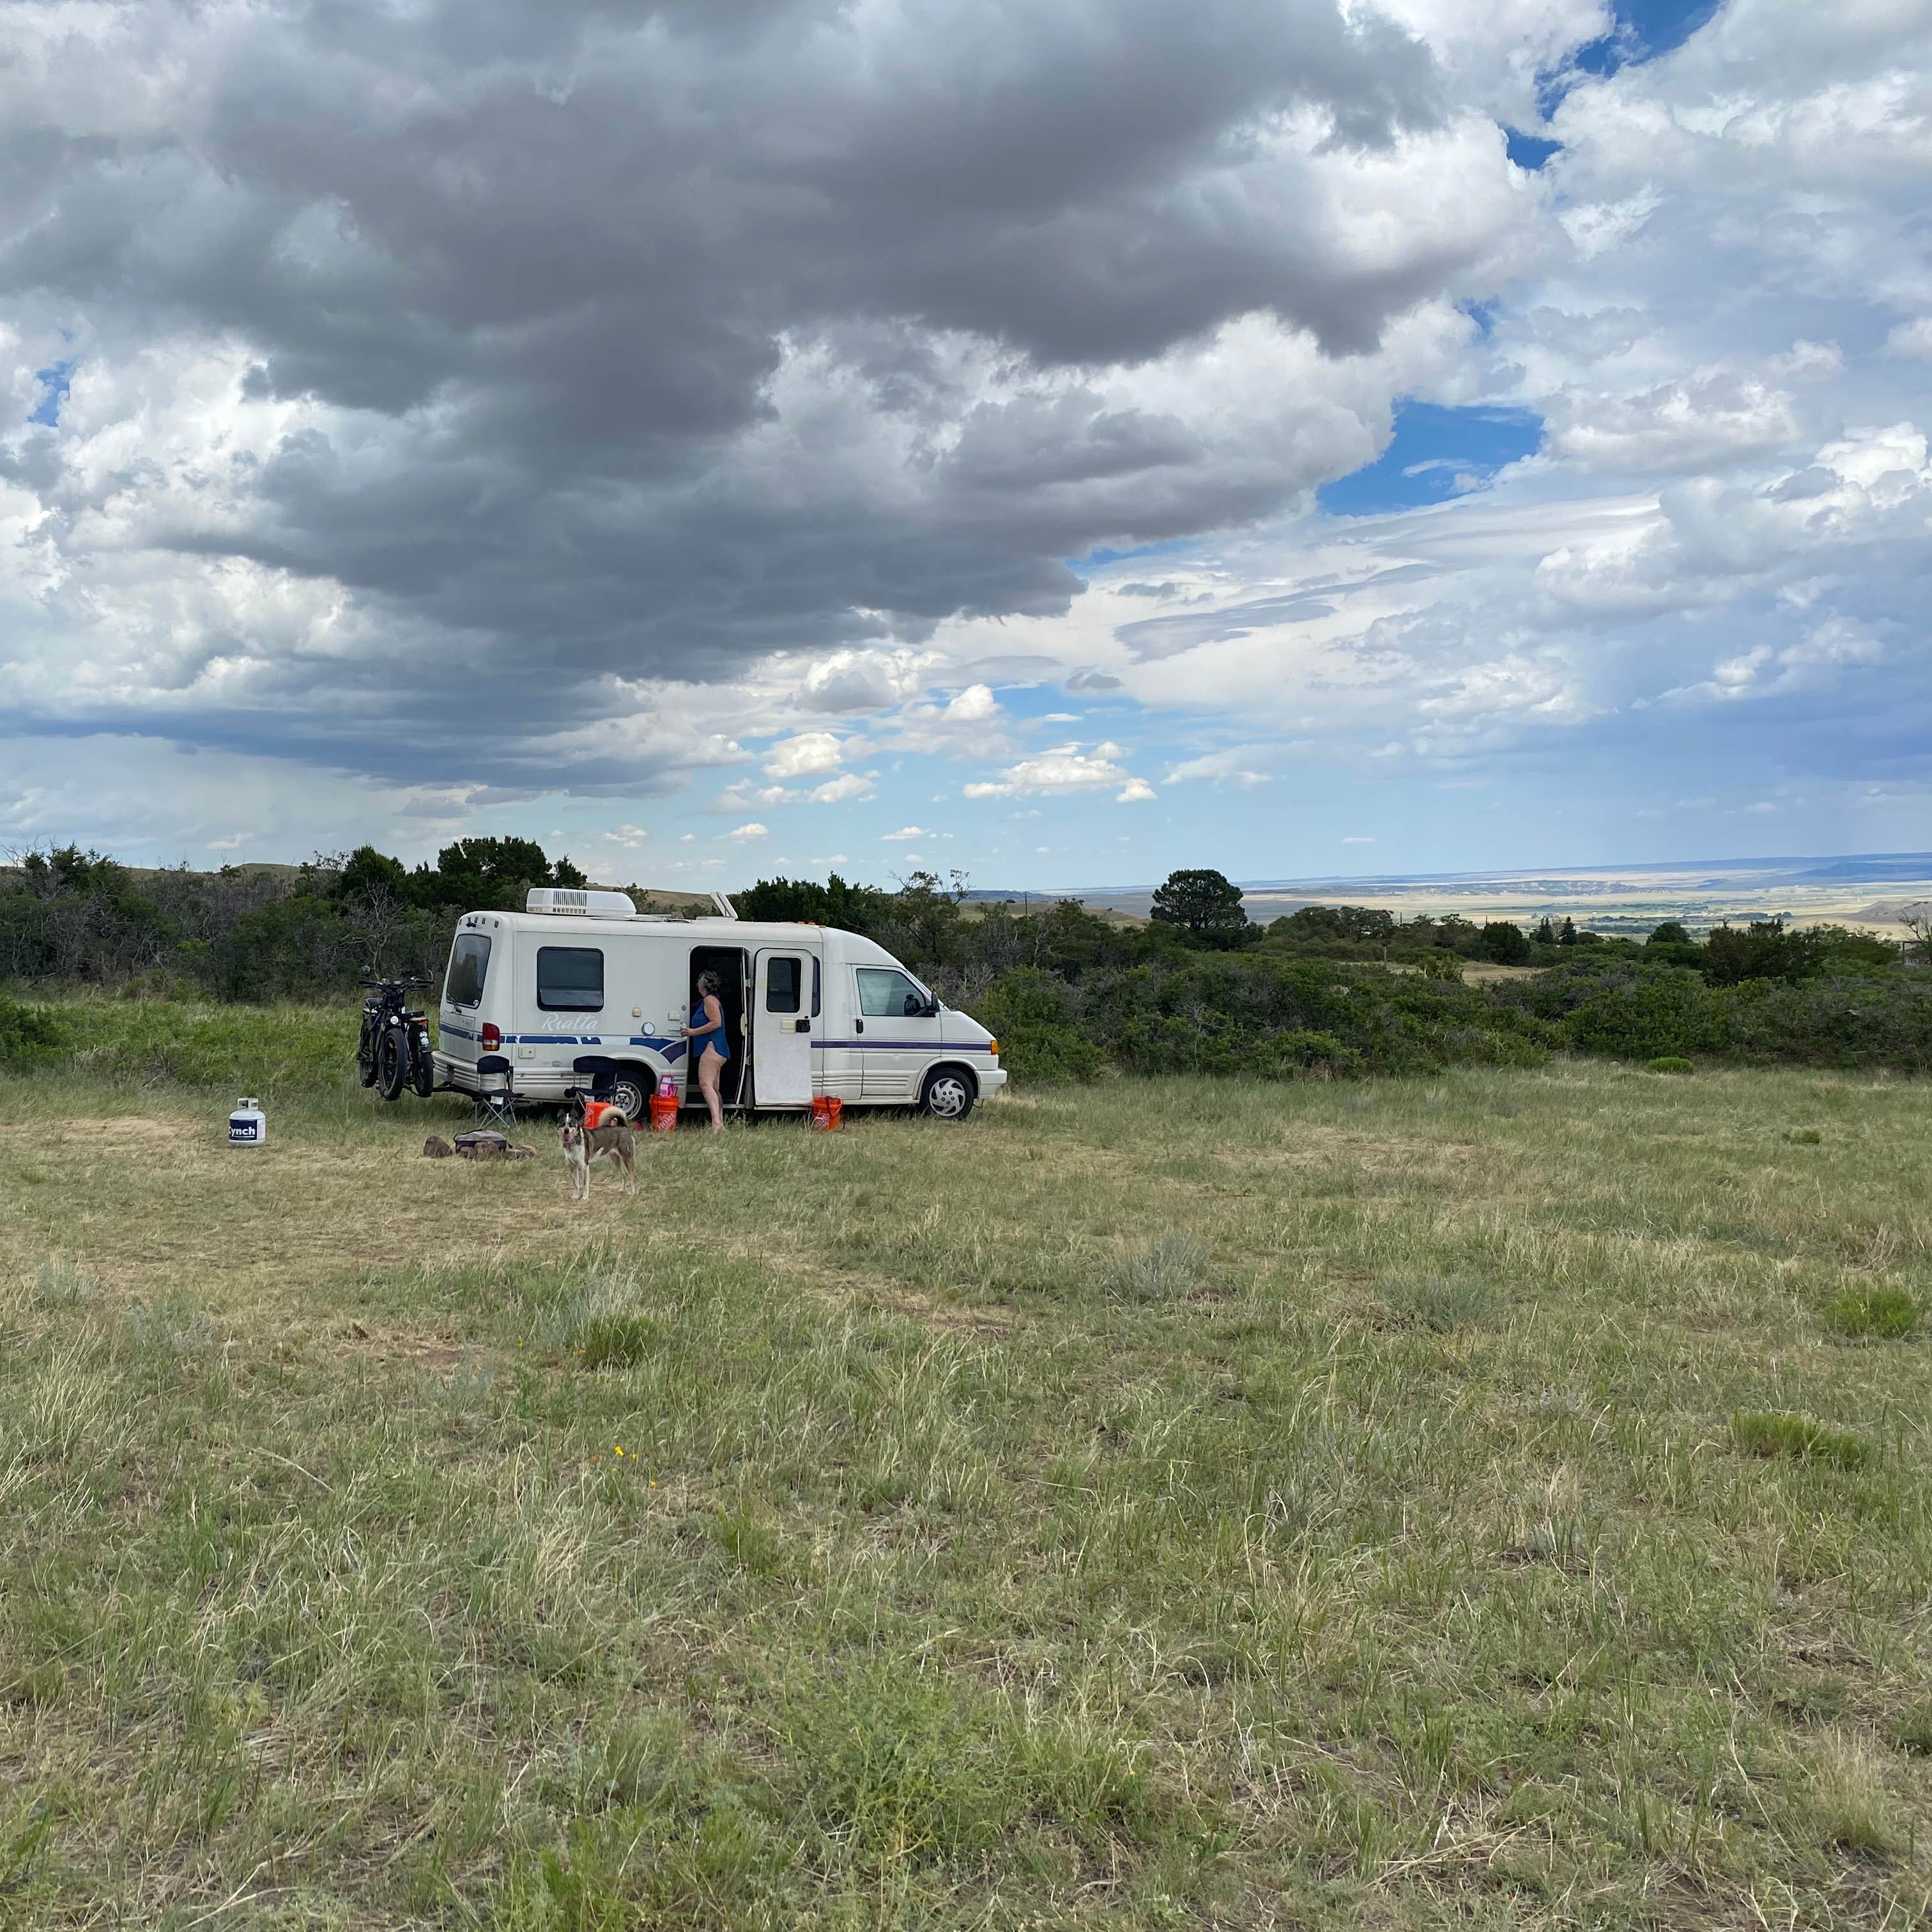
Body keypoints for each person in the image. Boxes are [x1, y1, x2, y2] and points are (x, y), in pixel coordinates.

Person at [684, 970, 730, 1131]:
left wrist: (692, 1032)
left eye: (699, 980)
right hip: (718, 1049)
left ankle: (716, 1124)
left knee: (705, 1085)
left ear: (703, 984)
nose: (697, 983)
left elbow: (716, 1023)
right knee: (714, 1088)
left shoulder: (710, 1000)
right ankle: (720, 1123)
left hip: (712, 1047)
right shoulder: (707, 1001)